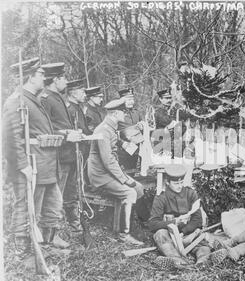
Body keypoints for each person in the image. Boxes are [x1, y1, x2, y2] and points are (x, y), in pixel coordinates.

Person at [2, 57, 68, 258]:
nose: (44, 77)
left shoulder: (34, 100)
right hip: (30, 165)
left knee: (52, 205)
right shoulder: (16, 101)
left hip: (46, 165)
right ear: (30, 76)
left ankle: (46, 244)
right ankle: (23, 252)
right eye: (41, 74)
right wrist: (23, 165)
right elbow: (11, 138)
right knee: (26, 207)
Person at [87, 97, 145, 245]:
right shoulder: (103, 130)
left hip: (109, 172)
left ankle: (127, 225)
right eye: (122, 112)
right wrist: (124, 179)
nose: (125, 115)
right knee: (129, 191)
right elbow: (108, 161)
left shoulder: (111, 128)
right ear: (114, 114)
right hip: (100, 176)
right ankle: (123, 235)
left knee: (138, 188)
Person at [147, 164, 227, 268]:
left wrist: (184, 232)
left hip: (189, 234)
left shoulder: (190, 193)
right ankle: (176, 261)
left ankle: (204, 260)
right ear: (167, 182)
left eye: (181, 182)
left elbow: (197, 219)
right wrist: (175, 222)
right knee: (160, 234)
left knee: (200, 240)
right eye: (176, 183)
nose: (180, 186)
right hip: (170, 238)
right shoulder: (161, 198)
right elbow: (153, 224)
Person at [40, 62, 82, 232]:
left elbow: (61, 124)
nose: (66, 82)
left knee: (71, 191)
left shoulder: (58, 98)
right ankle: (54, 229)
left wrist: (73, 132)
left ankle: (73, 223)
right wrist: (66, 135)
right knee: (57, 193)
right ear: (55, 79)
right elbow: (46, 129)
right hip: (59, 155)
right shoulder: (46, 99)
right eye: (64, 78)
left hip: (69, 154)